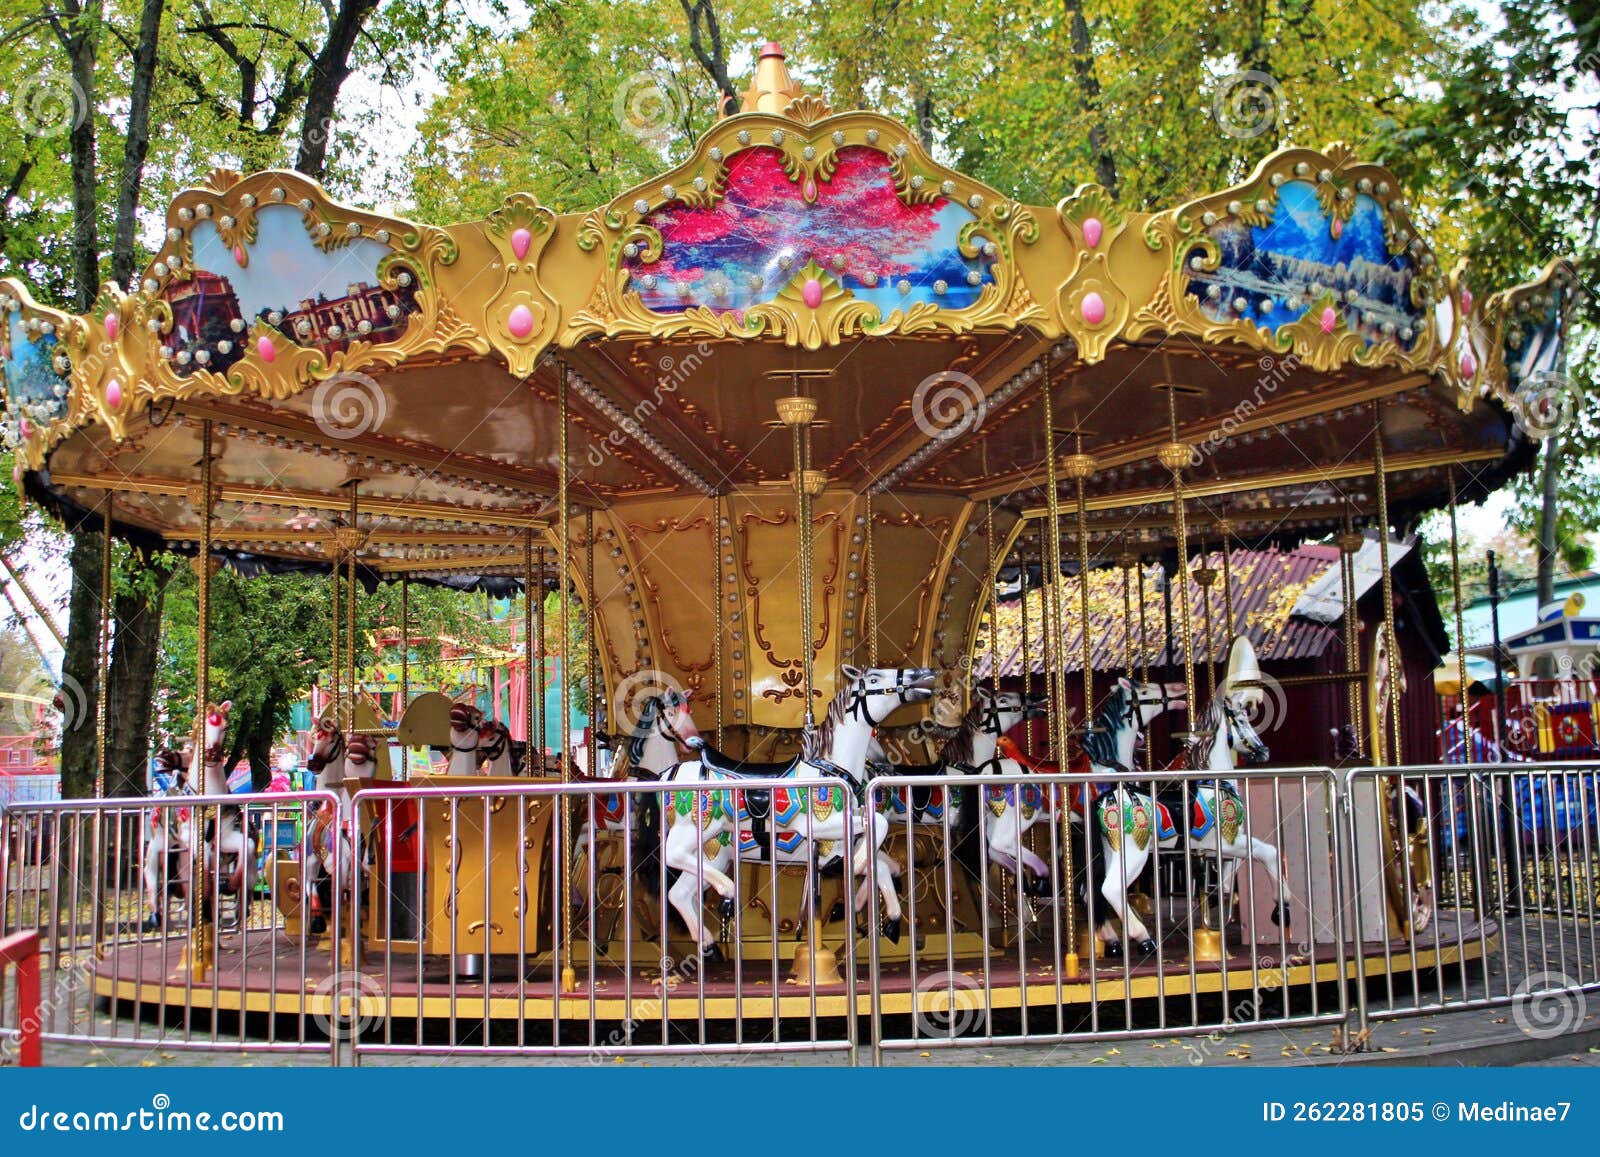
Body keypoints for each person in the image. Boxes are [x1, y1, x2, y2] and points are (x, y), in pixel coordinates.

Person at [141, 750, 196, 932]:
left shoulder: (166, 794)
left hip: (166, 837)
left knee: (151, 866)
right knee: (182, 867)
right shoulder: (182, 791)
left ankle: (155, 910)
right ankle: (187, 906)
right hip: (174, 837)